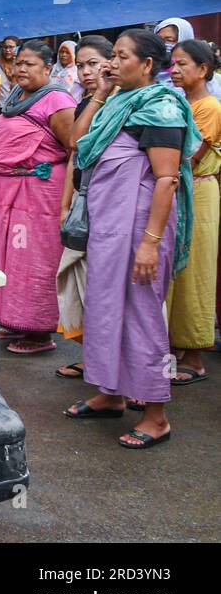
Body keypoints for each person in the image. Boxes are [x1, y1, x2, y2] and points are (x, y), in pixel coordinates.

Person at [64, 30, 200, 450]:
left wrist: (148, 243)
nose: (110, 63)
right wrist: (102, 92)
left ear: (146, 65)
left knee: (142, 316)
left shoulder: (161, 107)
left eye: (121, 57)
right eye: (113, 56)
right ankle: (111, 393)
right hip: (109, 227)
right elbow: (76, 142)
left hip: (142, 229)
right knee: (105, 309)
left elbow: (166, 180)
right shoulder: (117, 100)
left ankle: (156, 414)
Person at [0, 40, 76, 355]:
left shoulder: (57, 101)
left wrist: (68, 202)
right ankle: (14, 320)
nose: (22, 68)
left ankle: (39, 332)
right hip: (9, 193)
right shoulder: (15, 97)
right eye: (19, 63)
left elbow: (73, 150)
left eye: (30, 64)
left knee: (34, 260)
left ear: (48, 69)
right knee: (11, 258)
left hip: (39, 195)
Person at [55, 35, 116, 379]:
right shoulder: (85, 105)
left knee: (106, 287)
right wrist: (65, 205)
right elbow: (75, 153)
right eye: (80, 65)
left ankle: (120, 368)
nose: (86, 71)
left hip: (112, 204)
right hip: (83, 201)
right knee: (78, 283)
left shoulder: (123, 103)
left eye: (93, 63)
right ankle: (93, 357)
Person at [165, 39, 221, 385]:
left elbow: (189, 154)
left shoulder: (209, 107)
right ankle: (175, 347)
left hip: (198, 190)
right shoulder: (180, 102)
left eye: (182, 63)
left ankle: (196, 355)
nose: (174, 70)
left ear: (202, 69)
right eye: (172, 63)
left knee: (195, 270)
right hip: (178, 190)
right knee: (174, 270)